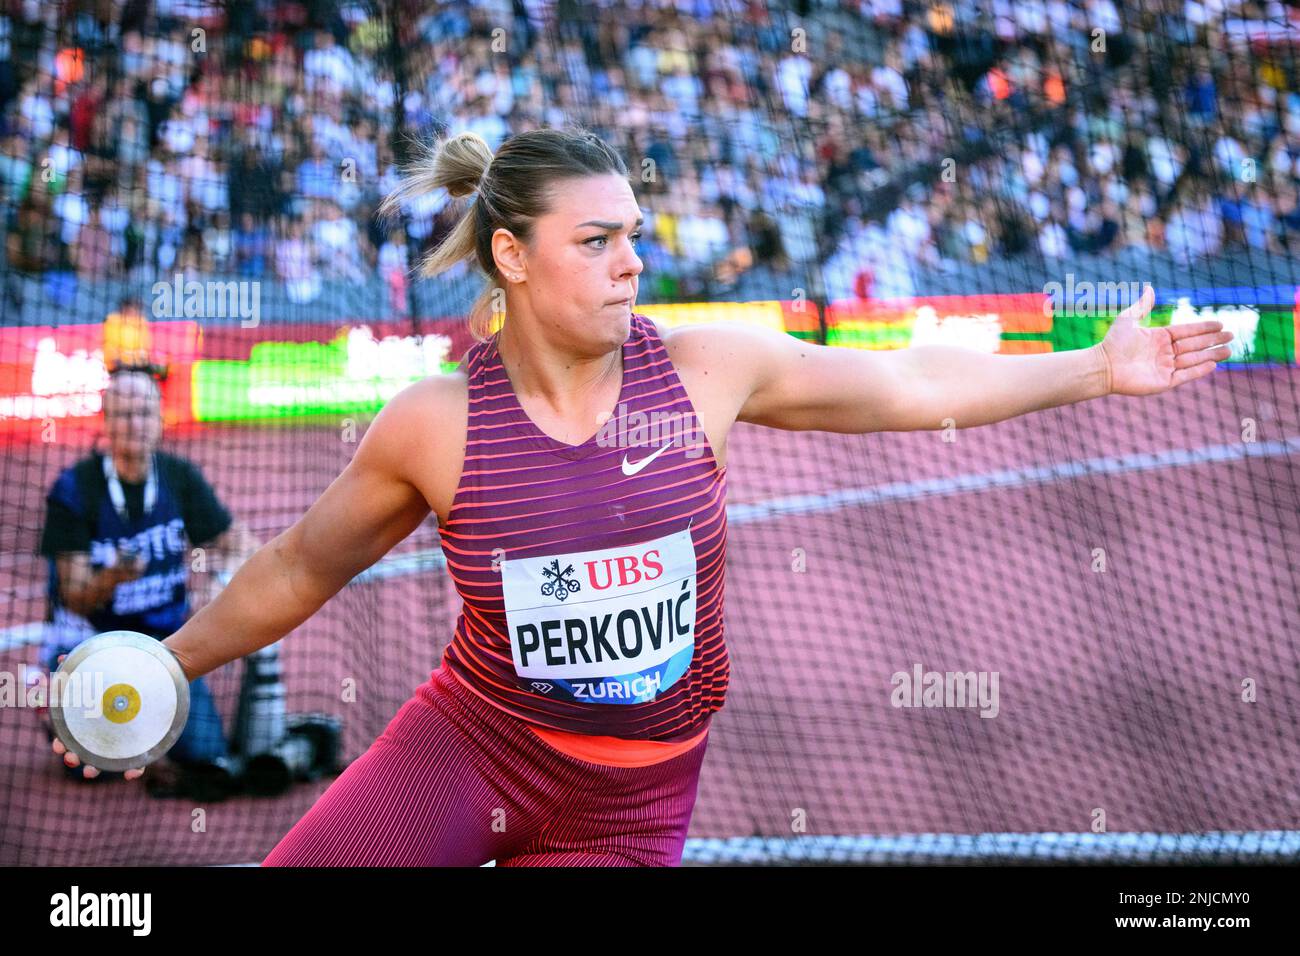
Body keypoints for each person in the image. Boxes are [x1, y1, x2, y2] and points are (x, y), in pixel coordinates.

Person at [55, 127, 1234, 865]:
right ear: (513, 257)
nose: (633, 260)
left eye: (638, 234)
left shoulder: (711, 370)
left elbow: (912, 380)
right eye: (599, 239)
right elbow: (301, 565)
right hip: (472, 747)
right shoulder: (434, 420)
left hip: (632, 803)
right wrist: (170, 663)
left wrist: (1091, 367)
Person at [42, 365, 258, 797]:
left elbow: (243, 545)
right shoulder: (74, 490)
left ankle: (149, 741)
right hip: (93, 648)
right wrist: (114, 578)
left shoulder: (179, 478)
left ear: (159, 420)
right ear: (105, 423)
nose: (134, 425)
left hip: (167, 648)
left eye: (143, 413)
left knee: (205, 757)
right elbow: (75, 597)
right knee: (89, 767)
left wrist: (218, 580)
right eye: (123, 415)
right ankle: (68, 711)